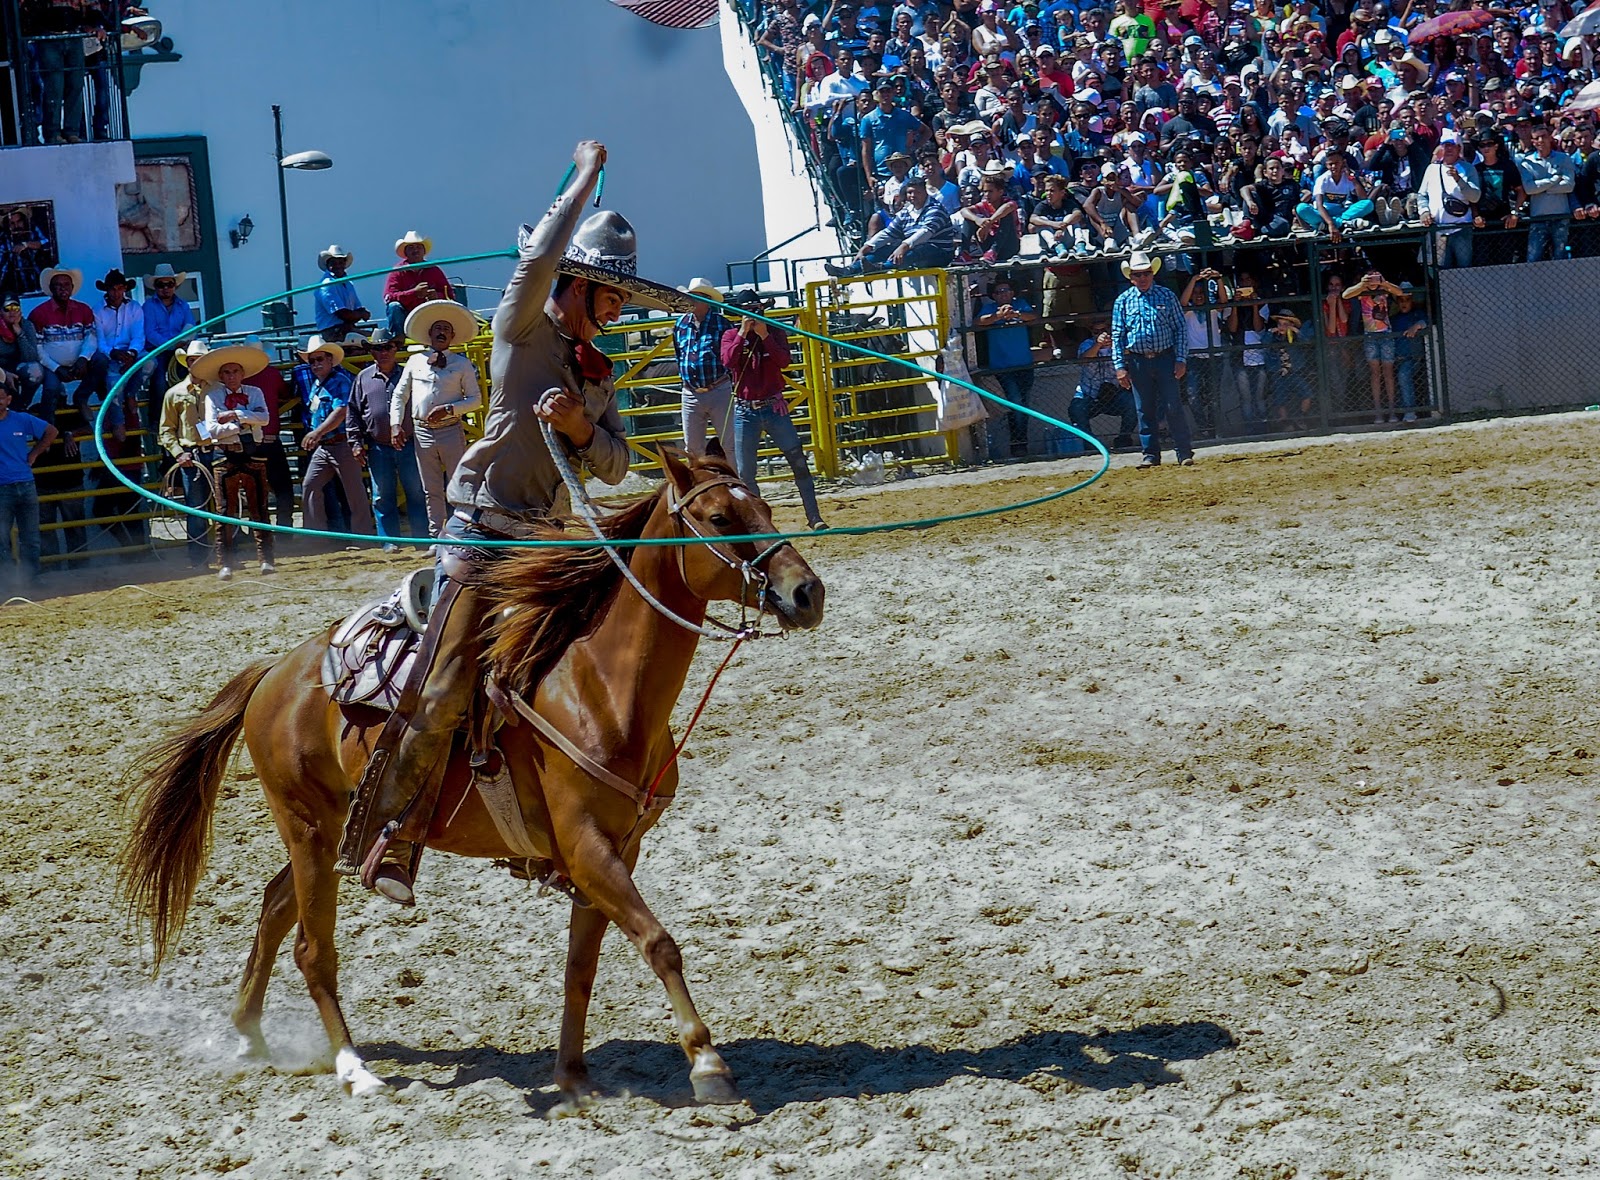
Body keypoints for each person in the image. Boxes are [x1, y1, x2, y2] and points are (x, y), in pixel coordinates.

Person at [342, 141, 685, 907]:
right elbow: (537, 262)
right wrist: (584, 179)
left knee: (585, 672)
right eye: (611, 299)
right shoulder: (521, 327)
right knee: (446, 682)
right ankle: (395, 833)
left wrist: (578, 428)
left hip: (547, 543)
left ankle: (552, 831)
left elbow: (616, 465)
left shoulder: (596, 374)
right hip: (483, 530)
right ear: (580, 286)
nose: (617, 315)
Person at [721, 287, 828, 529]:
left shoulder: (775, 331)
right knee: (746, 473)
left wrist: (765, 336)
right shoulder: (730, 334)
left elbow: (784, 361)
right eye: (748, 311)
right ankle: (759, 523)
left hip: (773, 406)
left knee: (798, 462)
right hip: (745, 410)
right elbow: (728, 361)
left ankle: (814, 517)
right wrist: (743, 333)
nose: (753, 314)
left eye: (756, 309)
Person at [392, 300, 484, 537]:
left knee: (458, 484)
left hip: (450, 429)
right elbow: (400, 394)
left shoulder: (462, 364)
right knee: (430, 488)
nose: (441, 332)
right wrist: (395, 424)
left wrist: (450, 409)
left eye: (446, 329)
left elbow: (475, 399)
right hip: (422, 431)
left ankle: (461, 534)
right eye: (437, 328)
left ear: (452, 336)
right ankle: (437, 537)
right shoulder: (415, 361)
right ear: (430, 333)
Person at [194, 341, 276, 580]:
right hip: (225, 454)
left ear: (242, 373)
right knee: (224, 511)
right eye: (227, 372)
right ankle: (225, 562)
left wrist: (233, 415)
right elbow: (212, 429)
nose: (231, 376)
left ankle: (266, 559)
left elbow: (265, 418)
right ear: (221, 376)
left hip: (251, 453)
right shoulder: (213, 396)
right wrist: (243, 423)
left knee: (259, 507)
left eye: (235, 371)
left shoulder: (255, 392)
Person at [349, 328, 428, 551]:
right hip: (378, 445)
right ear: (372, 351)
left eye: (387, 347)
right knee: (382, 495)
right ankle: (390, 540)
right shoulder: (362, 378)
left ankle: (421, 538)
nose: (383, 352)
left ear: (395, 349)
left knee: (416, 492)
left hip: (409, 442)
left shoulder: (409, 375)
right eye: (378, 348)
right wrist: (355, 442)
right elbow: (353, 412)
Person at [1111, 250, 1192, 467]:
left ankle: (1184, 452)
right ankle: (1150, 454)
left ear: (1152, 273)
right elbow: (1117, 336)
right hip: (1138, 361)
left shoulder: (1167, 296)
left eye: (1146, 273)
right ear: (1131, 277)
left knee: (1173, 406)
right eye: (1138, 274)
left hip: (1165, 358)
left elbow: (1180, 329)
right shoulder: (1123, 301)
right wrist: (1120, 366)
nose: (1142, 278)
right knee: (1144, 409)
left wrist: (1181, 358)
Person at [297, 335, 375, 537]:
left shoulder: (340, 381)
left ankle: (363, 535)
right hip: (325, 445)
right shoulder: (318, 384)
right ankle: (317, 536)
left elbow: (341, 411)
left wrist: (316, 432)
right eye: (312, 361)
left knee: (353, 493)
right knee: (310, 486)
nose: (316, 364)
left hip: (341, 444)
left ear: (330, 360)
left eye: (319, 359)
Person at [157, 340, 216, 569]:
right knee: (195, 509)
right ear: (187, 363)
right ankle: (199, 559)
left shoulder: (217, 389)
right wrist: (179, 453)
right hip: (191, 456)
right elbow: (166, 430)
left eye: (200, 360)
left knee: (225, 504)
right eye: (192, 360)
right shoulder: (174, 394)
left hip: (218, 451)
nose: (196, 364)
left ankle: (227, 554)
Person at [825, 174, 956, 273]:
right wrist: (867, 247)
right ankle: (849, 270)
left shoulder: (935, 209)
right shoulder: (906, 211)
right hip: (915, 249)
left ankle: (880, 268)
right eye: (910, 192)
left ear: (925, 192)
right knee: (881, 250)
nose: (913, 195)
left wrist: (904, 246)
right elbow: (889, 232)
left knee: (919, 249)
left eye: (917, 192)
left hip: (939, 253)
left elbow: (925, 233)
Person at [27, 266, 106, 429]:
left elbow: (91, 338)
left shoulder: (84, 309)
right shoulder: (38, 313)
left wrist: (83, 359)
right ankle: (47, 429)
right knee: (51, 388)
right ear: (51, 288)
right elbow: (37, 349)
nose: (63, 288)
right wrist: (56, 368)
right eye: (58, 285)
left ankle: (81, 397)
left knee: (101, 361)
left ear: (72, 287)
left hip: (80, 363)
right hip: (52, 365)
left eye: (66, 284)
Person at [972, 275, 1040, 458]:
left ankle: (1020, 443)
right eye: (999, 291)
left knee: (1023, 404)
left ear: (1012, 292)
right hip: (1002, 367)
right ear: (993, 296)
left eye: (1007, 290)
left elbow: (1034, 317)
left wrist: (1016, 314)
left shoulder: (1021, 304)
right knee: (1015, 401)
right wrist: (998, 316)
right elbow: (978, 322)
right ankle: (1018, 445)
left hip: (1024, 363)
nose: (1004, 294)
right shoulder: (989, 308)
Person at [0, 374, 56, 586]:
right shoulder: (21, 419)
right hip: (6, 486)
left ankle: (29, 579)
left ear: (8, 399)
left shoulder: (21, 419)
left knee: (30, 537)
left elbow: (51, 431)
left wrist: (34, 454)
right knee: (2, 539)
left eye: (1, 398)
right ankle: (8, 581)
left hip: (24, 484)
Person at [673, 277, 735, 459]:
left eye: (696, 297)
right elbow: (679, 355)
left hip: (719, 389)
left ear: (707, 300)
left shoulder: (722, 324)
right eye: (690, 297)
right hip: (691, 392)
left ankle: (733, 477)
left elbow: (731, 356)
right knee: (692, 448)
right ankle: (699, 478)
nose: (691, 301)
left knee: (729, 445)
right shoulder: (681, 324)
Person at [140, 265, 196, 435]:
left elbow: (191, 327)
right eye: (161, 285)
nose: (165, 288)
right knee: (159, 381)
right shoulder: (148, 306)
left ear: (175, 286)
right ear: (155, 287)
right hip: (158, 350)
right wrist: (172, 345)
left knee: (191, 379)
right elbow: (150, 333)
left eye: (169, 284)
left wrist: (183, 343)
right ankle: (156, 420)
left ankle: (190, 417)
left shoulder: (183, 305)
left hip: (180, 350)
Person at [1068, 316, 1138, 450]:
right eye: (1097, 332)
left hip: (1115, 394)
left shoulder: (1119, 342)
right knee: (1076, 409)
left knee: (1133, 404)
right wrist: (1098, 345)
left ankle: (1123, 439)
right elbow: (1083, 359)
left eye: (1104, 330)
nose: (1102, 334)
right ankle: (1091, 445)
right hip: (1090, 394)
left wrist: (1116, 347)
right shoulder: (1087, 344)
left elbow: (1132, 352)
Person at [1344, 269, 1403, 424]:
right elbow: (1345, 295)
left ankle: (1392, 410)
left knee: (1388, 373)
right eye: (1370, 276)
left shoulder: (1384, 289)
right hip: (1370, 336)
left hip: (1386, 335)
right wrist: (1362, 284)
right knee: (1375, 373)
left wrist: (1384, 282)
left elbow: (1399, 292)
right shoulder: (1362, 291)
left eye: (1375, 276)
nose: (1373, 279)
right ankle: (1378, 412)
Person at [90, 268, 145, 434]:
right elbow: (99, 341)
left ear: (125, 289)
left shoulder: (135, 307)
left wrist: (132, 354)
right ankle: (118, 422)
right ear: (106, 290)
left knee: (150, 362)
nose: (116, 293)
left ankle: (131, 393)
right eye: (113, 289)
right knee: (113, 384)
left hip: (131, 352)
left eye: (120, 288)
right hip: (110, 354)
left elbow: (138, 336)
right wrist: (113, 353)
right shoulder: (97, 310)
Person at [1417, 129, 1481, 269]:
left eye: (1452, 145)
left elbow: (1475, 197)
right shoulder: (1432, 169)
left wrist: (1459, 179)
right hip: (1437, 229)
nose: (1449, 149)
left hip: (1461, 228)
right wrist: (1424, 212)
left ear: (1459, 148)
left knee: (1464, 268)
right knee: (1438, 270)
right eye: (1446, 145)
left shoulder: (1468, 169)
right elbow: (1422, 195)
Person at [1518, 125, 1576, 262]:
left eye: (1543, 136)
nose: (1541, 140)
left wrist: (1541, 188)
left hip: (1561, 216)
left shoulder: (1564, 158)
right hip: (1538, 218)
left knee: (1560, 257)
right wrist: (1554, 180)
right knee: (1533, 258)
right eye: (1537, 138)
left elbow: (1569, 186)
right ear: (1532, 141)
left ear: (1550, 137)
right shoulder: (1527, 163)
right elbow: (1529, 189)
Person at [384, 231, 455, 339]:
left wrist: (437, 296)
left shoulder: (434, 270)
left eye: (418, 247)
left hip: (431, 315)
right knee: (394, 306)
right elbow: (388, 297)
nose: (415, 250)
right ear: (406, 252)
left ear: (423, 251)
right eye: (411, 247)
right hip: (406, 317)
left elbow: (450, 296)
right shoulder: (397, 271)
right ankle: (399, 340)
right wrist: (414, 293)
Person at [0, 293, 47, 412]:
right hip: (1, 368)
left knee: (36, 370)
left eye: (15, 308)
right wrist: (4, 373)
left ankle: (23, 403)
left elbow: (31, 357)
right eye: (7, 308)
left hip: (18, 367)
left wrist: (20, 334)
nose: (12, 312)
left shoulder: (27, 325)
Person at [312, 245, 369, 342]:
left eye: (340, 262)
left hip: (346, 329)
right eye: (334, 263)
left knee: (374, 338)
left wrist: (358, 314)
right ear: (328, 265)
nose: (338, 265)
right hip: (332, 332)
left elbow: (357, 310)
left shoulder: (348, 284)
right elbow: (343, 314)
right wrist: (361, 314)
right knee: (371, 340)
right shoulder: (326, 285)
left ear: (344, 264)